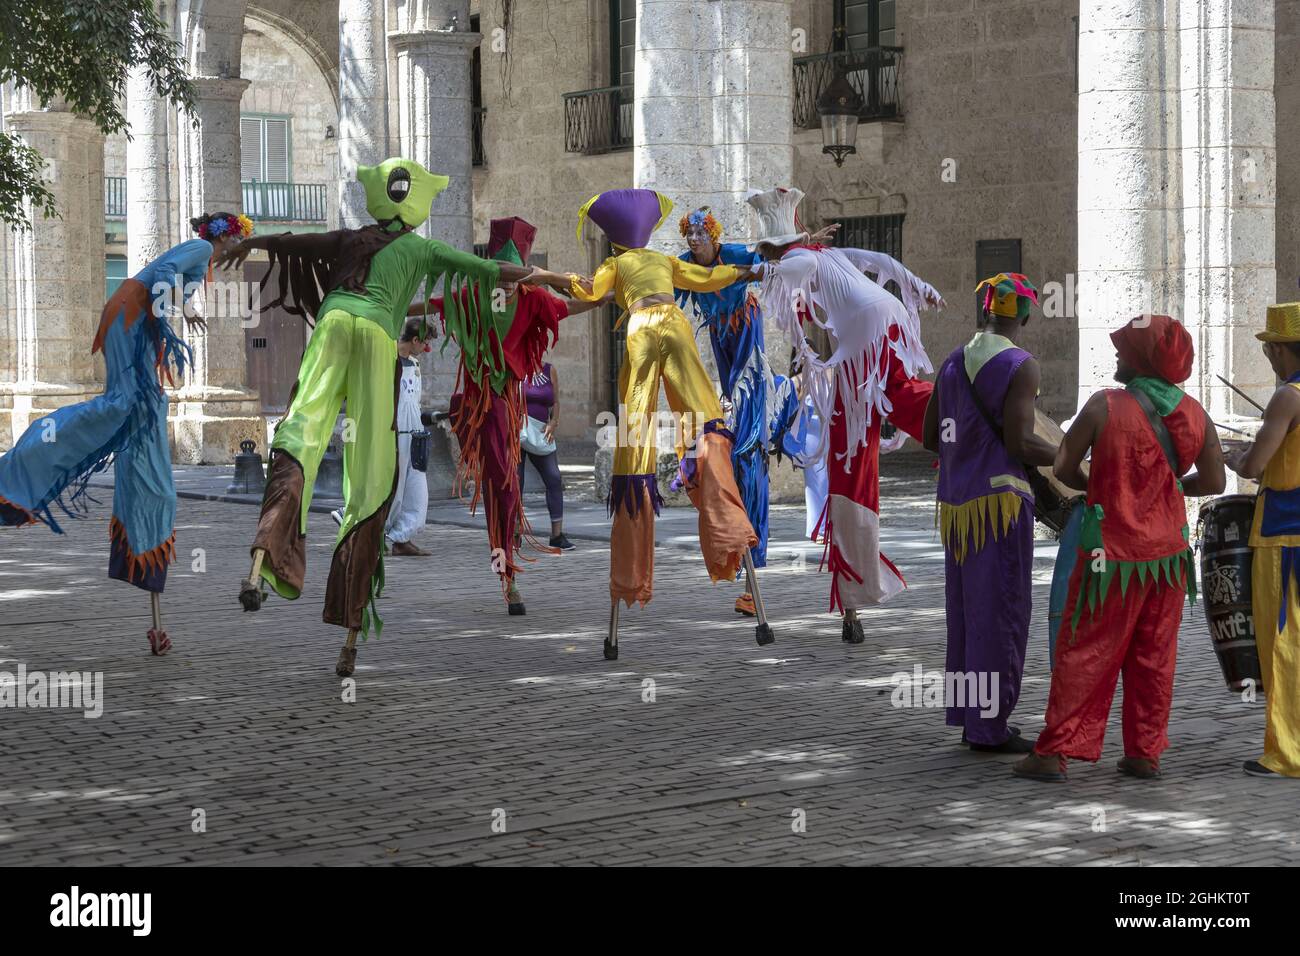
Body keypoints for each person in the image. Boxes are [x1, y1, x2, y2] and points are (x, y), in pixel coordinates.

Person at [221, 159, 537, 676]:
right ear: (416, 206)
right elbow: (488, 270)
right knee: (371, 471)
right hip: (375, 338)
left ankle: (261, 559)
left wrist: (250, 243)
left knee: (301, 433)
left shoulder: (351, 239)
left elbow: (299, 242)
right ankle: (349, 634)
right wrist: (541, 275)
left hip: (332, 322)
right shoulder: (422, 246)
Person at [529, 188, 771, 658]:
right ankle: (726, 521)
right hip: (676, 327)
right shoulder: (663, 260)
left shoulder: (616, 266)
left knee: (635, 435)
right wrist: (749, 271)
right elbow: (708, 277)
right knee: (705, 421)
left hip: (640, 329)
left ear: (617, 242)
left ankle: (629, 567)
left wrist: (548, 276)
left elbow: (588, 290)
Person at [0, 212, 250, 655]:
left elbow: (165, 286)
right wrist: (186, 310)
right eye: (238, 241)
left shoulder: (206, 259)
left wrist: (175, 315)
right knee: (122, 403)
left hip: (132, 317)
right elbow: (166, 276)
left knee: (143, 406)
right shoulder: (203, 249)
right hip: (128, 315)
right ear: (226, 237)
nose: (234, 251)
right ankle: (35, 448)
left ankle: (141, 541)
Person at [1014, 314, 1224, 783]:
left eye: (1123, 349)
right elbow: (1213, 480)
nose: (1115, 355)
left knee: (1084, 650)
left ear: (1139, 359)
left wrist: (1101, 487)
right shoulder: (1196, 414)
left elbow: (1064, 467)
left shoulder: (1103, 406)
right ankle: (1144, 754)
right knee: (1154, 658)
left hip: (1111, 556)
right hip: (1168, 560)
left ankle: (1052, 754)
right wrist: (1168, 488)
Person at [748, 187, 944, 644]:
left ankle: (954, 412)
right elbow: (880, 260)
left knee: (855, 455)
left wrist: (729, 268)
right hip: (881, 327)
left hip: (864, 344)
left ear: (775, 248)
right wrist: (919, 288)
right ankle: (852, 599)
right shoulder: (822, 253)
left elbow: (774, 269)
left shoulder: (800, 261)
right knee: (869, 429)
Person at [417, 217, 607, 614]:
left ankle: (507, 568)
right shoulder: (472, 294)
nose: (504, 283)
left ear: (521, 275)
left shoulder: (534, 299)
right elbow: (433, 306)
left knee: (506, 486)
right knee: (498, 482)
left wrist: (599, 300)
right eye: (499, 275)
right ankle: (505, 565)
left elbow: (565, 307)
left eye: (512, 276)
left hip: (506, 402)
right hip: (477, 404)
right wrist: (389, 307)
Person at [923, 273, 1060, 753]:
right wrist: (1067, 459)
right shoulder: (1022, 365)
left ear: (983, 310)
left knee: (964, 614)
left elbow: (928, 435)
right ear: (1022, 315)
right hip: (1000, 504)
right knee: (1001, 612)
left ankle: (970, 719)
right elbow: (1020, 441)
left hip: (957, 507)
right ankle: (989, 726)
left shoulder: (952, 362)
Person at [675, 207, 806, 616]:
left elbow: (770, 257)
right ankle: (783, 391)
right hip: (719, 337)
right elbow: (657, 280)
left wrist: (807, 237)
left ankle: (786, 391)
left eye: (701, 233)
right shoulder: (683, 265)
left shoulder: (732, 253)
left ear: (714, 238)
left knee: (750, 450)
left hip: (745, 329)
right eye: (689, 234)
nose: (694, 240)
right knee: (734, 433)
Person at [1225, 302, 1300, 778]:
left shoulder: (1288, 397)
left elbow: (1254, 467)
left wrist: (1235, 456)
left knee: (1283, 643)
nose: (1269, 356)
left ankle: (1288, 752)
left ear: (1282, 348)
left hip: (1284, 531)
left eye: (1271, 347)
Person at [386, 319, 433, 556]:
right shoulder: (388, 358)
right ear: (415, 340)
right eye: (425, 343)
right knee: (394, 486)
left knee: (418, 490)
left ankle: (400, 536)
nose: (427, 348)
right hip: (394, 431)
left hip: (414, 432)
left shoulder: (414, 363)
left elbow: (413, 400)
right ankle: (378, 535)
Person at [519, 360, 574, 551]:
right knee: (516, 483)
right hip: (517, 432)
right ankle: (514, 532)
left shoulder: (550, 370)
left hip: (541, 433)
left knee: (554, 478)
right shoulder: (515, 366)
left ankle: (556, 535)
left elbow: (556, 401)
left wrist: (553, 422)